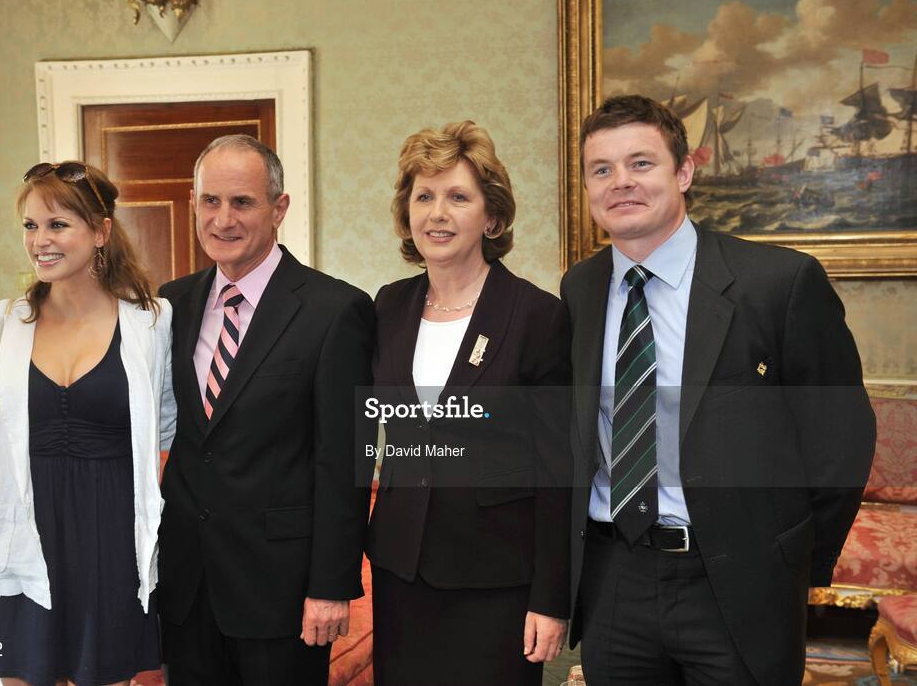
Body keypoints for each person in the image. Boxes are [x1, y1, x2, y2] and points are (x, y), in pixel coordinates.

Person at [561, 95, 877, 683]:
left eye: (641, 163)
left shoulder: (777, 283)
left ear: (683, 173)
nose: (620, 182)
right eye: (601, 170)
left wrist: (791, 559)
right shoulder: (579, 289)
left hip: (737, 583)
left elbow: (841, 443)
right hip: (613, 580)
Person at [0, 161, 176, 686]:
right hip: (17, 537)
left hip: (113, 545)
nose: (40, 240)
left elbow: (166, 434)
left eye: (57, 225)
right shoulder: (5, 321)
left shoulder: (151, 321)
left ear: (101, 232)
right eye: (30, 225)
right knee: (20, 674)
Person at [156, 134, 375, 685]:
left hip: (281, 590)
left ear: (279, 209)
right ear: (193, 203)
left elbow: (343, 461)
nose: (223, 219)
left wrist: (330, 586)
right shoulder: (170, 304)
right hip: (187, 585)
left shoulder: (334, 310)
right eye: (211, 201)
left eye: (243, 202)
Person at [365, 121, 572, 685]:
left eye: (458, 197)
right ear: (407, 213)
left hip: (497, 582)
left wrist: (552, 598)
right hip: (400, 572)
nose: (438, 213)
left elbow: (561, 471)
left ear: (492, 216)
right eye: (424, 197)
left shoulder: (536, 316)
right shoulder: (387, 308)